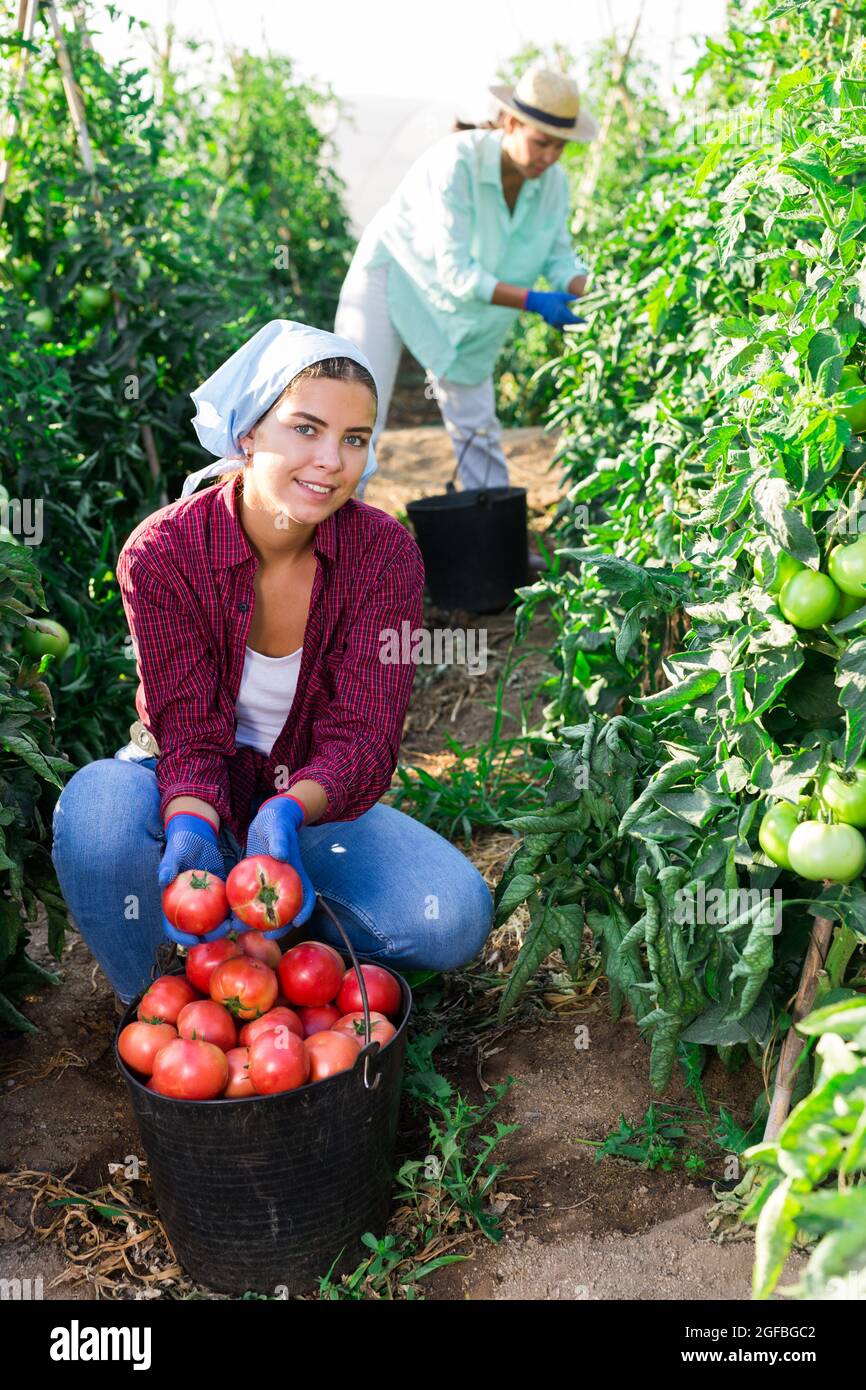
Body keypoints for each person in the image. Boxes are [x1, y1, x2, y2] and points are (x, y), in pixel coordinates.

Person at [50, 321, 495, 1010]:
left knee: (453, 916)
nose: (331, 460)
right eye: (306, 429)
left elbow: (363, 739)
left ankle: (278, 941)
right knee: (96, 815)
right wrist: (194, 820)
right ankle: (157, 1008)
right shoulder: (164, 554)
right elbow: (190, 734)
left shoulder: (383, 556)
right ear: (248, 433)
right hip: (179, 785)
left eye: (354, 439)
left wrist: (286, 812)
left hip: (306, 805)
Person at [334, 66, 597, 501]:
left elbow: (558, 256)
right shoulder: (456, 162)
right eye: (541, 142)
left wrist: (596, 291)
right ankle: (339, 536)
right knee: (356, 407)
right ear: (511, 123)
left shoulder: (553, 184)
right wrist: (535, 302)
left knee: (478, 428)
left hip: (470, 313)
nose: (550, 156)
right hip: (395, 276)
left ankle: (496, 544)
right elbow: (454, 271)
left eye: (560, 147)